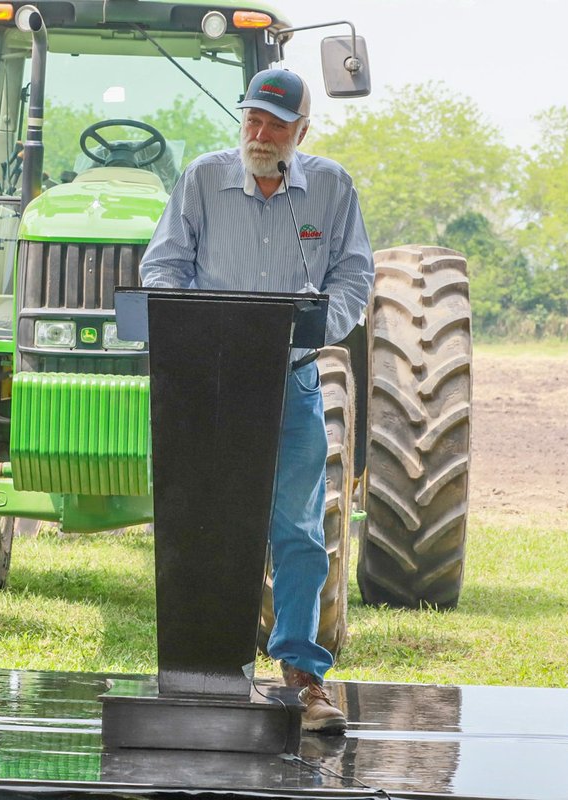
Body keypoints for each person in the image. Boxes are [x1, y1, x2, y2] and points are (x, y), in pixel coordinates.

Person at [140, 68, 374, 735]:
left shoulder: (332, 189)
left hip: (292, 380)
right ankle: (209, 678)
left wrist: (315, 328)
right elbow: (163, 267)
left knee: (298, 532)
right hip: (210, 386)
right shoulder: (203, 181)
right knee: (207, 526)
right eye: (251, 119)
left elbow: (354, 275)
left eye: (274, 124)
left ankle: (303, 677)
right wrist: (189, 325)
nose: (259, 133)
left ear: (302, 132)